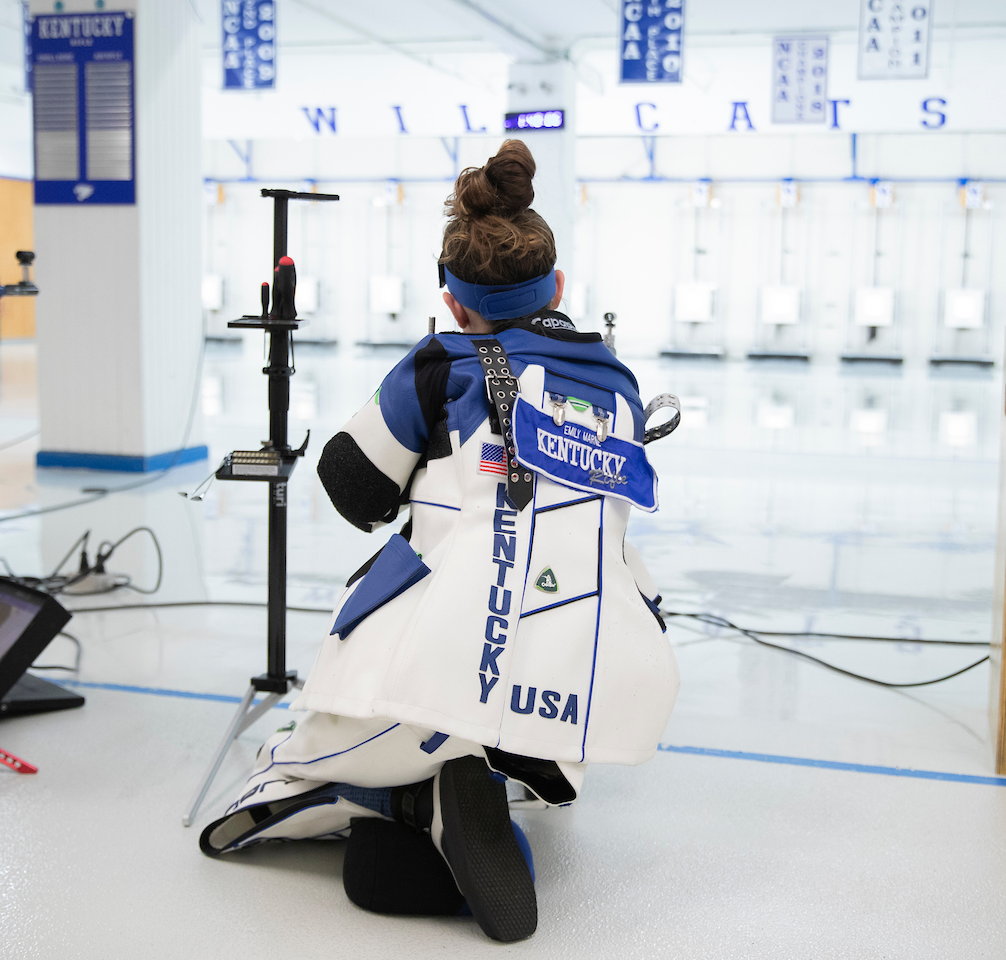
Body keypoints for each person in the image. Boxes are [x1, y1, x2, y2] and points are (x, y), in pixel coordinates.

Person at [199, 140, 679, 944]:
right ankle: (475, 783)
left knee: (290, 779)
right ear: (559, 288)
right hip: (581, 675)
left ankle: (404, 799)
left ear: (455, 305)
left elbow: (353, 489)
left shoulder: (444, 361)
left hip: (440, 658)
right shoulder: (619, 384)